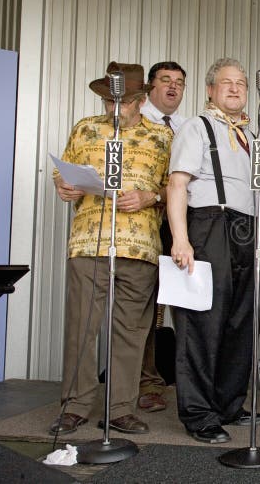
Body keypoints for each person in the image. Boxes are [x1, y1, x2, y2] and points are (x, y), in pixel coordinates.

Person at [50, 62, 172, 436]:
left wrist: (151, 195)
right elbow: (63, 173)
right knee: (81, 328)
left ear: (140, 99)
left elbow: (177, 187)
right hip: (89, 240)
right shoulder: (85, 129)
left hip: (139, 247)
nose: (113, 107)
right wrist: (65, 186)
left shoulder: (162, 138)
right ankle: (74, 406)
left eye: (121, 101)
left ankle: (120, 408)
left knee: (131, 331)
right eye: (107, 100)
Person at [167, 57, 260, 444]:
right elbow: (177, 184)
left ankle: (230, 404)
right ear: (210, 89)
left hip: (248, 230)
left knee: (242, 320)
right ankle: (199, 414)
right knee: (203, 322)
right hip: (209, 224)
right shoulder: (196, 127)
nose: (235, 88)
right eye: (226, 82)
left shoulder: (252, 135)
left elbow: (259, 192)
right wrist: (180, 239)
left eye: (242, 83)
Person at [137, 61, 188, 413]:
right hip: (143, 227)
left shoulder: (189, 128)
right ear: (149, 87)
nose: (173, 87)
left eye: (179, 83)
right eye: (165, 81)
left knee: (185, 306)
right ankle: (146, 382)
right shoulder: (135, 124)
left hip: (182, 227)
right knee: (146, 309)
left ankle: (190, 383)